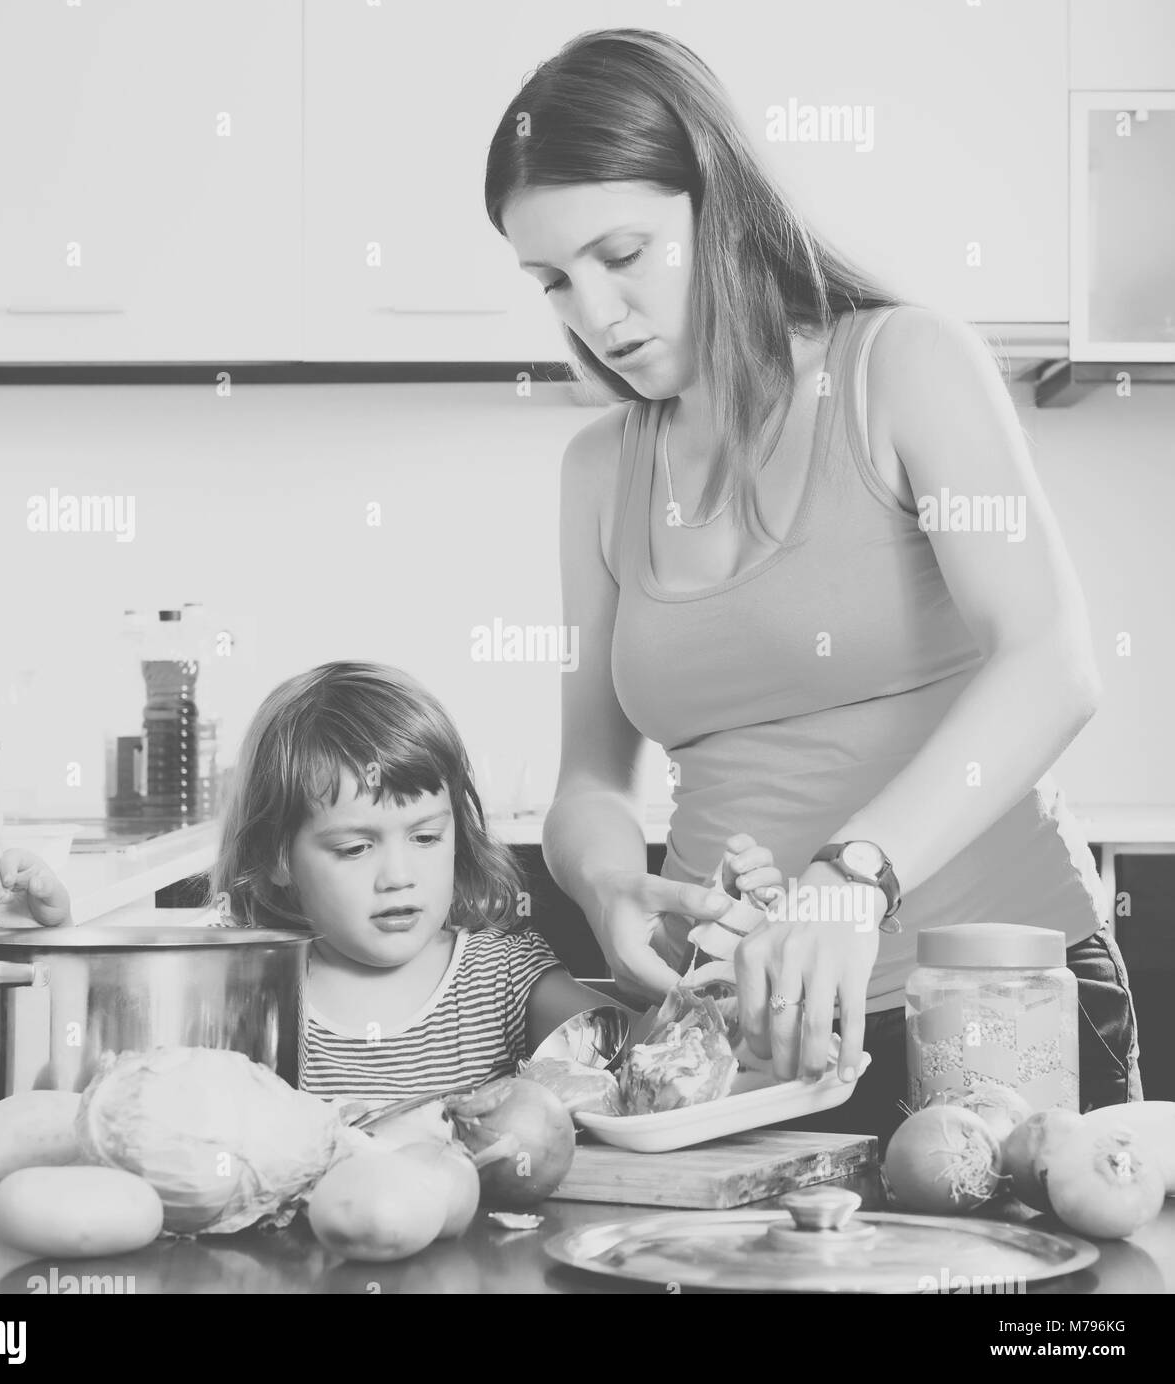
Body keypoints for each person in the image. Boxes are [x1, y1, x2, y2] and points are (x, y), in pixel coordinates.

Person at [484, 29, 1141, 1143]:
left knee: (1025, 1306)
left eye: (624, 253)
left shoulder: (903, 367)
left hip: (982, 999)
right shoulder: (598, 469)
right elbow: (590, 777)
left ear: (717, 203)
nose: (594, 314)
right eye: (552, 280)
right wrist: (607, 888)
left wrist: (851, 878)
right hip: (730, 1029)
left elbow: (1050, 664)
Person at [0, 662, 634, 1115]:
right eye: (354, 847)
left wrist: (711, 964)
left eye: (426, 837)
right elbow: (107, 1049)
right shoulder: (237, 977)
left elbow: (640, 1049)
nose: (398, 874)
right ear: (277, 855)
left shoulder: (503, 978)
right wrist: (44, 940)